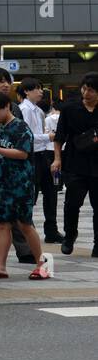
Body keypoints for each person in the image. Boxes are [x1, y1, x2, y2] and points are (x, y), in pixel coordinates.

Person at [0, 90, 50, 281]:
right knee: (2, 225)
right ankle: (0, 266)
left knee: (25, 224)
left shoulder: (21, 127)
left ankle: (41, 264)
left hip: (20, 182)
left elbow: (23, 153)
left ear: (6, 107)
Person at [0, 68, 33, 263]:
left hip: (17, 171)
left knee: (21, 216)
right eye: (0, 81)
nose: (5, 84)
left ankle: (26, 251)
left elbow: (22, 144)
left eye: (7, 81)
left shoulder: (15, 109)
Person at [51, 71, 98, 256]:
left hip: (96, 165)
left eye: (92, 90)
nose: (86, 93)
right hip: (74, 163)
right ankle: (70, 236)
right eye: (84, 89)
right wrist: (57, 159)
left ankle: (97, 243)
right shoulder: (70, 109)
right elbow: (59, 137)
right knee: (72, 204)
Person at [18, 78, 61, 243]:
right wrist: (48, 136)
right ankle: (27, 232)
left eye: (41, 88)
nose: (40, 91)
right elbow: (27, 137)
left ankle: (51, 230)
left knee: (51, 193)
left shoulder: (38, 110)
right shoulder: (25, 110)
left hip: (43, 155)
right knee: (31, 195)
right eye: (36, 88)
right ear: (26, 91)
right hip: (32, 156)